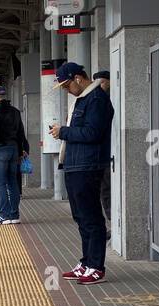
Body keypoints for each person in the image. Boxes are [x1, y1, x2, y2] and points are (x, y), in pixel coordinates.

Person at [50, 62, 115, 285]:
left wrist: (64, 132)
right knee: (81, 217)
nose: (67, 91)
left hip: (88, 165)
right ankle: (87, 262)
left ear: (78, 78)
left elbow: (93, 133)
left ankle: (96, 266)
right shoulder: (84, 99)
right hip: (76, 164)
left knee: (91, 217)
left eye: (67, 86)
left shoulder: (96, 99)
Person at [0, 86, 30, 225]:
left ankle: (2, 215)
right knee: (12, 182)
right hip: (13, 150)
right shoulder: (15, 112)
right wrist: (24, 148)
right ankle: (14, 215)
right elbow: (21, 132)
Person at [94, 70, 113, 241]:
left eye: (102, 82)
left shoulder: (107, 100)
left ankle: (114, 225)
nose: (99, 86)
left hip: (109, 153)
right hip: (104, 154)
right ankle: (112, 224)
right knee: (104, 191)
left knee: (107, 190)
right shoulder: (99, 100)